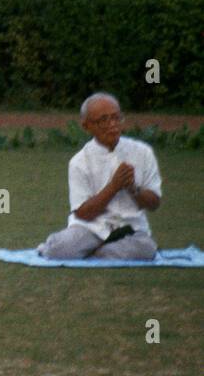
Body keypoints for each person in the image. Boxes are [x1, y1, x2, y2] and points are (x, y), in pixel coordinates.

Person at [38, 92, 162, 260]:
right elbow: (83, 214)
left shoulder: (143, 152)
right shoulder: (79, 161)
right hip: (90, 228)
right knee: (58, 251)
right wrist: (113, 187)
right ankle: (74, 247)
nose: (112, 125)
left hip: (131, 230)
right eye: (103, 120)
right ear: (86, 126)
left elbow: (154, 204)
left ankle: (97, 252)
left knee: (146, 250)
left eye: (116, 118)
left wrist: (133, 189)